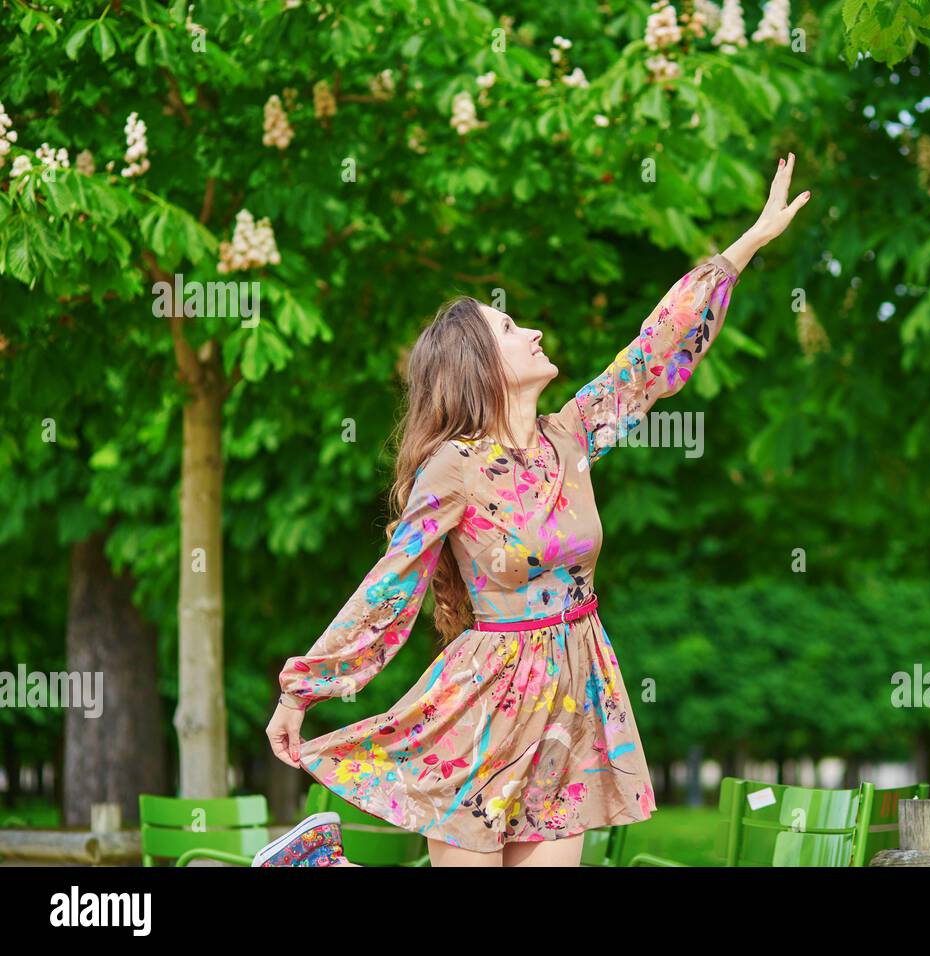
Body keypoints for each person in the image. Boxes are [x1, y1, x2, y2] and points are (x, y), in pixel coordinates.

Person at [263, 154, 810, 867]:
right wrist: (304, 689)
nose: (534, 333)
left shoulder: (571, 436)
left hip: (575, 695)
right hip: (483, 705)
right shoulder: (453, 468)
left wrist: (746, 247)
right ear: (479, 367)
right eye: (511, 328)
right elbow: (390, 586)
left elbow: (653, 355)